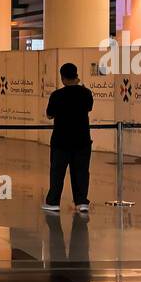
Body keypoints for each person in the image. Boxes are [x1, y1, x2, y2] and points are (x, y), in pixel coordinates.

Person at [43, 62, 93, 213]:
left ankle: (53, 202)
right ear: (76, 75)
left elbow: (49, 114)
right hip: (82, 140)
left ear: (62, 78)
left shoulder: (57, 95)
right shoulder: (86, 93)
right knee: (81, 171)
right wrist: (80, 84)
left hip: (61, 140)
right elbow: (89, 107)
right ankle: (81, 201)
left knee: (57, 172)